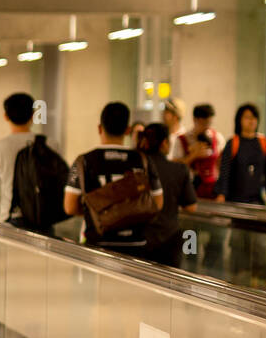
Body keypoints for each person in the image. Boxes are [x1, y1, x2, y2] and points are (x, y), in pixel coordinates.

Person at [63, 102, 163, 252]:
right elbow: (158, 203)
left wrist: (100, 214)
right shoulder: (143, 160)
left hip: (96, 243)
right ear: (128, 130)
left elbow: (70, 207)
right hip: (136, 243)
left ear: (99, 128)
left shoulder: (83, 161)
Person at [215, 102, 266, 286]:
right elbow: (226, 172)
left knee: (259, 245)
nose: (251, 121)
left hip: (256, 202)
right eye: (247, 117)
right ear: (239, 120)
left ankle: (256, 281)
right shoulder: (234, 143)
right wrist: (221, 195)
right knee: (238, 243)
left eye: (253, 117)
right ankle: (238, 279)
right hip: (236, 203)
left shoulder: (262, 142)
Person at [0, 92, 46, 224]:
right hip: (43, 220)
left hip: (10, 219)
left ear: (5, 116)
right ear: (33, 115)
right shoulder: (49, 145)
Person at [138, 122, 198, 266]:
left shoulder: (135, 168)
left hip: (139, 237)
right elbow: (191, 207)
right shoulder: (178, 169)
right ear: (165, 143)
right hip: (169, 238)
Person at [169, 103, 224, 200]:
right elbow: (175, 167)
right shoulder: (182, 139)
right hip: (191, 187)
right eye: (203, 123)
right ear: (195, 120)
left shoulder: (217, 137)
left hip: (213, 187)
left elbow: (222, 164)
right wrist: (194, 155)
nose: (206, 127)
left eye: (209, 123)